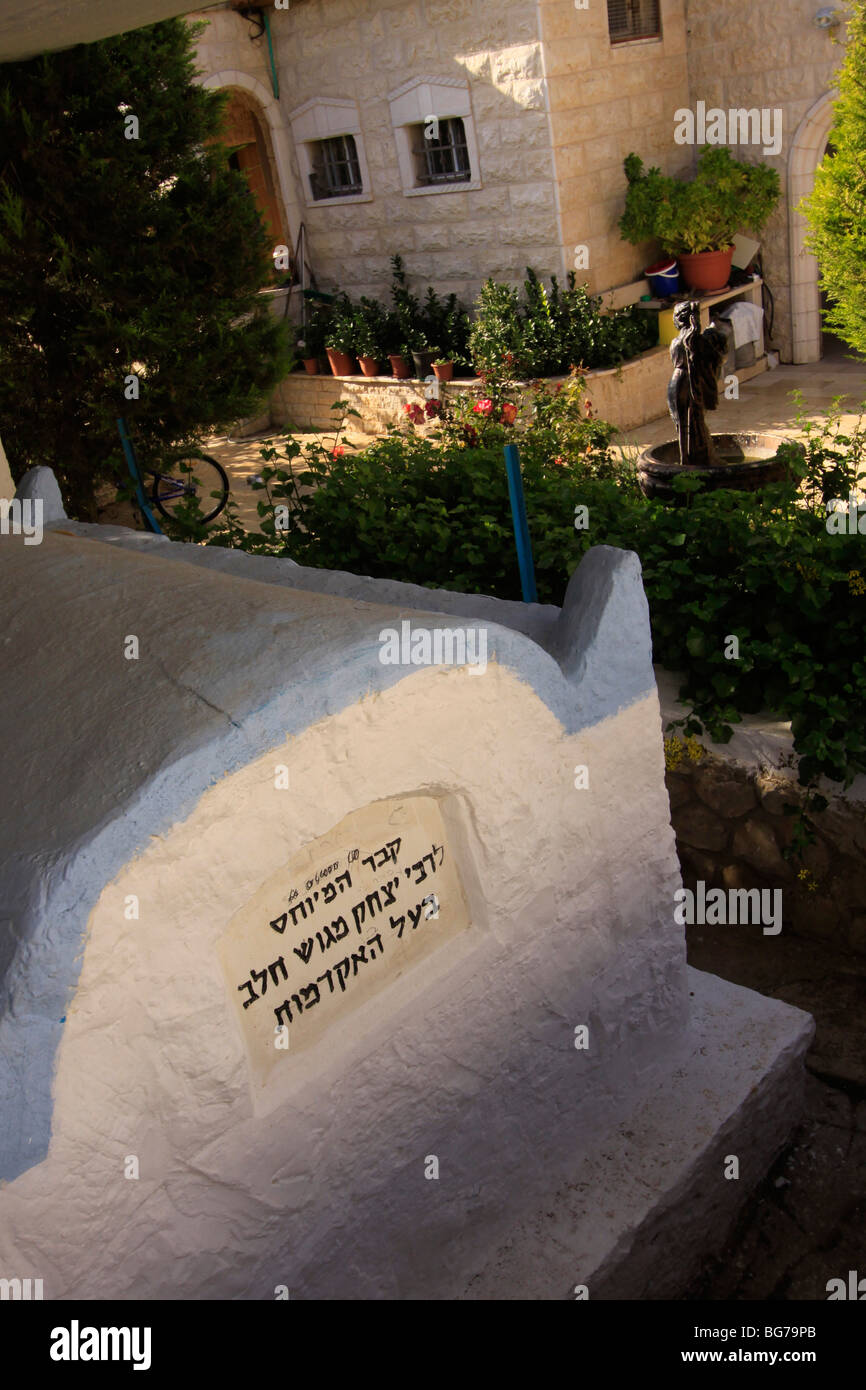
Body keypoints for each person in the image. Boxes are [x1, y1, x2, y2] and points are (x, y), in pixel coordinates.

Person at [667, 301, 729, 468]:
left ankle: (684, 460)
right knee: (694, 421)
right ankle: (699, 459)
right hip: (689, 383)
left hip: (675, 382)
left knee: (681, 424)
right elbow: (717, 357)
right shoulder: (696, 341)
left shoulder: (676, 341)